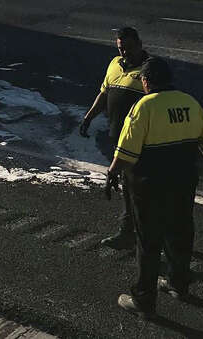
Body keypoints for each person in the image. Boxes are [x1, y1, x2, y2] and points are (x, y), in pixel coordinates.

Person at [106, 57, 203, 318]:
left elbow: (127, 151)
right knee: (180, 231)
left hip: (149, 186)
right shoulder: (190, 103)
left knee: (148, 242)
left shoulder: (144, 107)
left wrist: (111, 173)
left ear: (146, 81)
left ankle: (144, 300)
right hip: (183, 183)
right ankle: (178, 284)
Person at [79, 26, 150, 249]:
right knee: (129, 187)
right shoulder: (114, 64)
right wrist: (88, 117)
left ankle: (134, 233)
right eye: (120, 48)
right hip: (118, 138)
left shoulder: (150, 69)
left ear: (139, 44)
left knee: (138, 188)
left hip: (141, 142)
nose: (124, 53)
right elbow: (104, 93)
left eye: (128, 48)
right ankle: (136, 232)